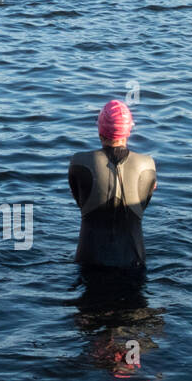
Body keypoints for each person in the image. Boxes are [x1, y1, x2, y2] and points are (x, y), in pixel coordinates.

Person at [67, 101, 156, 268]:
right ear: (128, 131)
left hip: (89, 261)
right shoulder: (147, 164)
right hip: (134, 263)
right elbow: (143, 203)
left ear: (100, 131)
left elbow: (80, 200)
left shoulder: (79, 163)